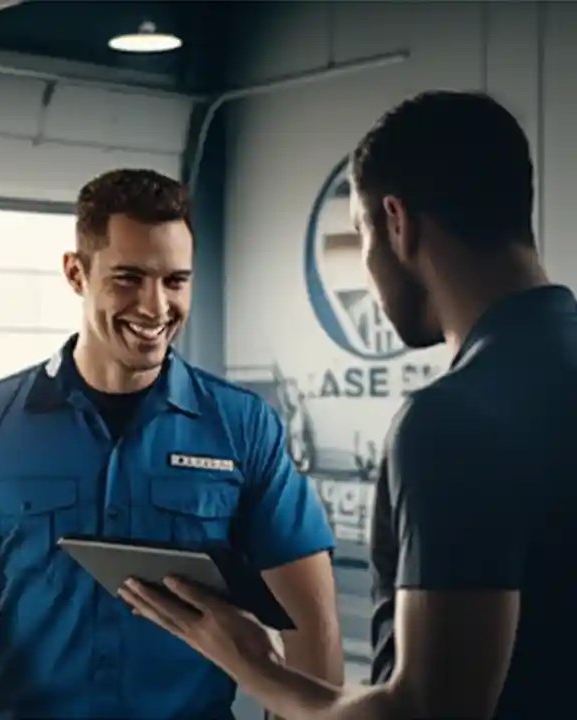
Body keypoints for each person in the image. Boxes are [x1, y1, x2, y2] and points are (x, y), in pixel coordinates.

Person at [121, 91, 577, 719]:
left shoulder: (455, 422)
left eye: (359, 236)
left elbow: (428, 713)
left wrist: (254, 665)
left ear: (397, 222)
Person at [0, 168, 343, 719]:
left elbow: (310, 618)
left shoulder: (243, 428)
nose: (155, 306)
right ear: (76, 273)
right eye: (128, 278)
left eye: (175, 281)